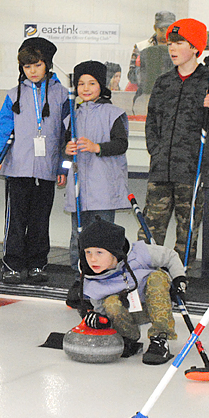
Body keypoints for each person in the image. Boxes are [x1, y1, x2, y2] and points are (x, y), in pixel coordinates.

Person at [141, 18, 209, 266]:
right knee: (150, 228)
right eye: (170, 43)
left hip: (191, 171)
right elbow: (152, 122)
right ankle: (145, 274)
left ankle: (179, 278)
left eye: (179, 43)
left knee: (187, 230)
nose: (172, 48)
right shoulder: (163, 81)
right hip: (161, 170)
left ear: (195, 48)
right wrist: (156, 152)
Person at [0, 37, 69, 284]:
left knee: (40, 220)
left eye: (37, 65)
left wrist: (62, 165)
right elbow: (2, 129)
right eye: (27, 67)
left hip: (47, 169)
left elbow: (67, 134)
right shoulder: (14, 95)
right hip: (17, 168)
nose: (32, 71)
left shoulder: (63, 95)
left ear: (48, 64)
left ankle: (37, 264)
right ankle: (12, 264)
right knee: (16, 219)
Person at [77, 218, 187, 364]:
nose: (93, 259)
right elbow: (100, 308)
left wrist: (179, 279)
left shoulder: (139, 253)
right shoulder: (91, 278)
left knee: (157, 277)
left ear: (115, 251)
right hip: (129, 312)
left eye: (99, 252)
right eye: (88, 252)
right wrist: (100, 321)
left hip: (157, 304)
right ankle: (128, 338)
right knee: (110, 302)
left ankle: (160, 338)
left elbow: (170, 256)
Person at [62, 61, 129, 272]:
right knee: (78, 235)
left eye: (91, 83)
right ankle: (79, 278)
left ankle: (106, 278)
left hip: (104, 188)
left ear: (101, 84)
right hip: (78, 187)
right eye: (81, 84)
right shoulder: (73, 115)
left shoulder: (114, 113)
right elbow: (63, 147)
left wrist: (96, 147)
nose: (86, 88)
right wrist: (67, 151)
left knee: (103, 236)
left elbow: (121, 144)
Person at [127, 11, 176, 91]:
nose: (165, 33)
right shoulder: (141, 47)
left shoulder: (179, 48)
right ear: (155, 28)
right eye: (161, 29)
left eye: (169, 29)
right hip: (146, 93)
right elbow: (131, 76)